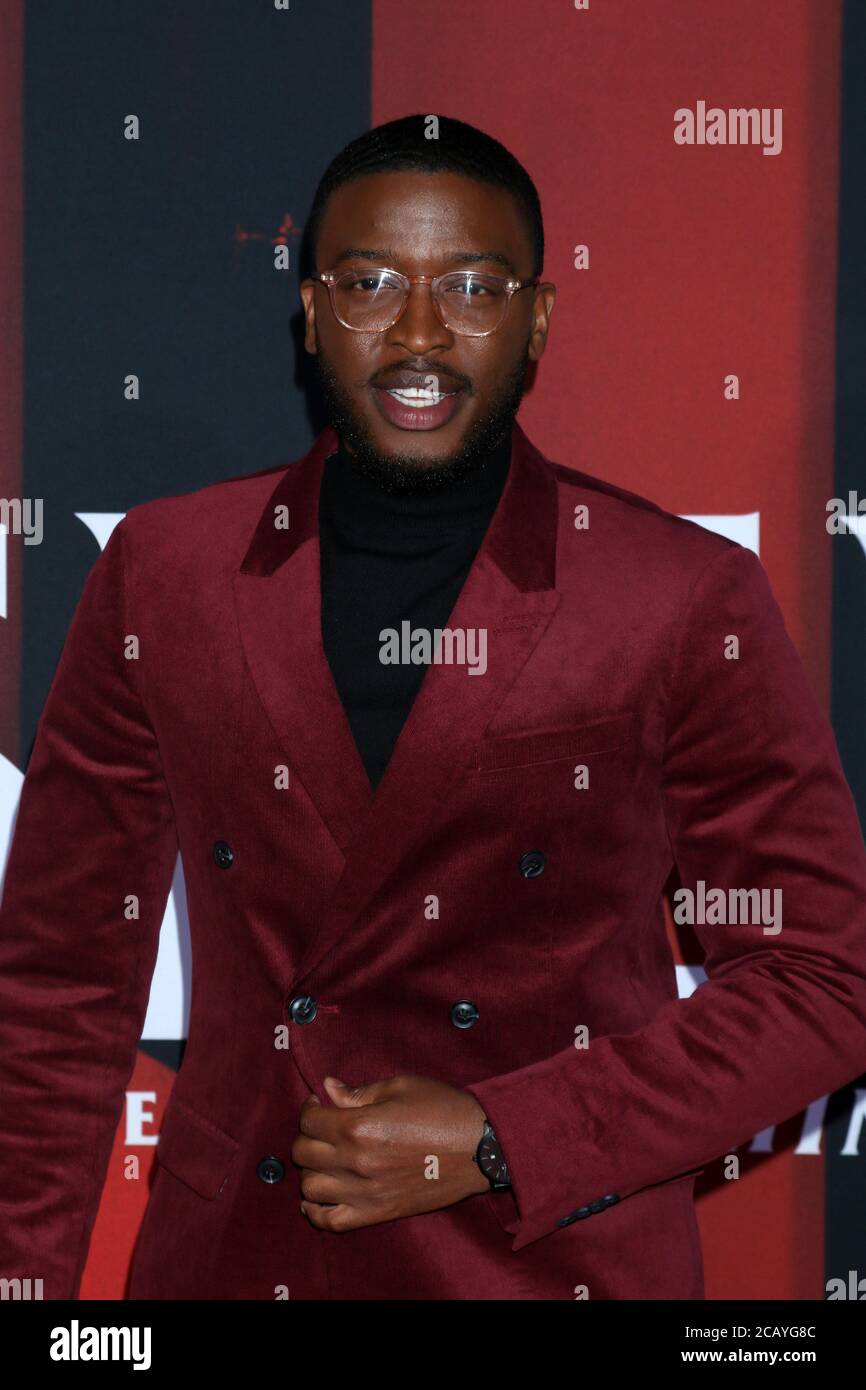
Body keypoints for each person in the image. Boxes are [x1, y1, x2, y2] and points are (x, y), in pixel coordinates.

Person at [1, 114, 865, 1302]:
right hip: (237, 1263)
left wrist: (501, 1137)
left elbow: (820, 977)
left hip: (549, 1265)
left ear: (538, 318)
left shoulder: (673, 594)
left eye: (469, 284)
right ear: (309, 311)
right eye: (368, 283)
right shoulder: (166, 569)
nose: (417, 333)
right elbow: (57, 983)